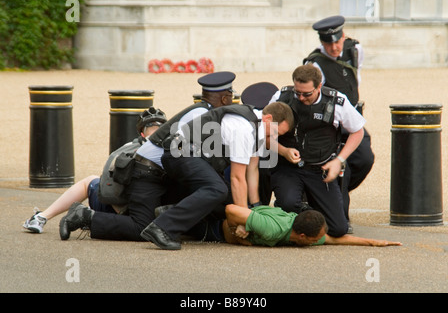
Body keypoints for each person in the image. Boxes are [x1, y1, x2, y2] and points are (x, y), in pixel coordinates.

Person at [58, 71, 237, 241]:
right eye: (231, 96)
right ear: (224, 98)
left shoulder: (201, 111)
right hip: (146, 172)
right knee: (142, 227)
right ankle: (84, 216)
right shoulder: (204, 117)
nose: (232, 101)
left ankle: (171, 212)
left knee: (210, 187)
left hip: (162, 173)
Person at [140, 101, 295, 250]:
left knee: (228, 201)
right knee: (217, 189)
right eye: (275, 132)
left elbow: (252, 170)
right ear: (268, 119)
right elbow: (237, 177)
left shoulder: (257, 127)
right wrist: (244, 220)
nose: (274, 138)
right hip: (179, 154)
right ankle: (161, 228)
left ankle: (172, 211)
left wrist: (254, 207)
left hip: (196, 158)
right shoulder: (243, 129)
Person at [23, 107, 167, 234]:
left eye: (157, 127)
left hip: (117, 205)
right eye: (154, 127)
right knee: (91, 183)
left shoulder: (129, 146)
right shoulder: (160, 149)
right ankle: (46, 216)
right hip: (129, 209)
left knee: (90, 182)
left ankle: (41, 217)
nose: (156, 130)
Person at [269, 64, 365, 238]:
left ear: (319, 86)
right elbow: (264, 133)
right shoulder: (281, 97)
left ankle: (309, 210)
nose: (301, 98)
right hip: (288, 168)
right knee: (289, 204)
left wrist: (339, 160)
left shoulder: (336, 101)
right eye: (297, 92)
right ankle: (296, 208)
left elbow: (358, 131)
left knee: (338, 229)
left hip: (320, 169)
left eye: (307, 94)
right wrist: (283, 151)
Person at [303, 15, 375, 198]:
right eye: (329, 44)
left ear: (343, 37)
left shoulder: (355, 50)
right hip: (329, 122)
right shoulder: (315, 64)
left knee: (365, 159)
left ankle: (331, 193)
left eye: (337, 42)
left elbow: (355, 78)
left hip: (351, 117)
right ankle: (336, 201)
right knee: (344, 166)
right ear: (321, 42)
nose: (334, 48)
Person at [222, 204, 402, 247]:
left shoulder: (303, 231)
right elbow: (230, 209)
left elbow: (335, 239)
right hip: (215, 230)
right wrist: (236, 229)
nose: (319, 241)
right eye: (315, 240)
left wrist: (373, 242)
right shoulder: (273, 229)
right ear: (303, 238)